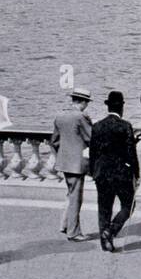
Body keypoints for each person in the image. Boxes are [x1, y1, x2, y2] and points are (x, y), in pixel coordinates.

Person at [89, 91, 138, 252]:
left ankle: (105, 243)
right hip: (121, 174)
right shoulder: (125, 126)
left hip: (101, 173)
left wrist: (92, 172)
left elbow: (93, 152)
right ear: (122, 107)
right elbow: (131, 153)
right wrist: (136, 174)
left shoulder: (97, 126)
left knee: (104, 207)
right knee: (129, 204)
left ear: (108, 107)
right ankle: (111, 230)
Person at [52, 88, 93, 241]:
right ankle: (73, 232)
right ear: (82, 102)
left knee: (70, 194)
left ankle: (65, 225)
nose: (86, 105)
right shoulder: (80, 117)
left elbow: (54, 141)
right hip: (77, 164)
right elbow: (92, 137)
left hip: (64, 162)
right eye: (86, 102)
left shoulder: (60, 116)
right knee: (76, 197)